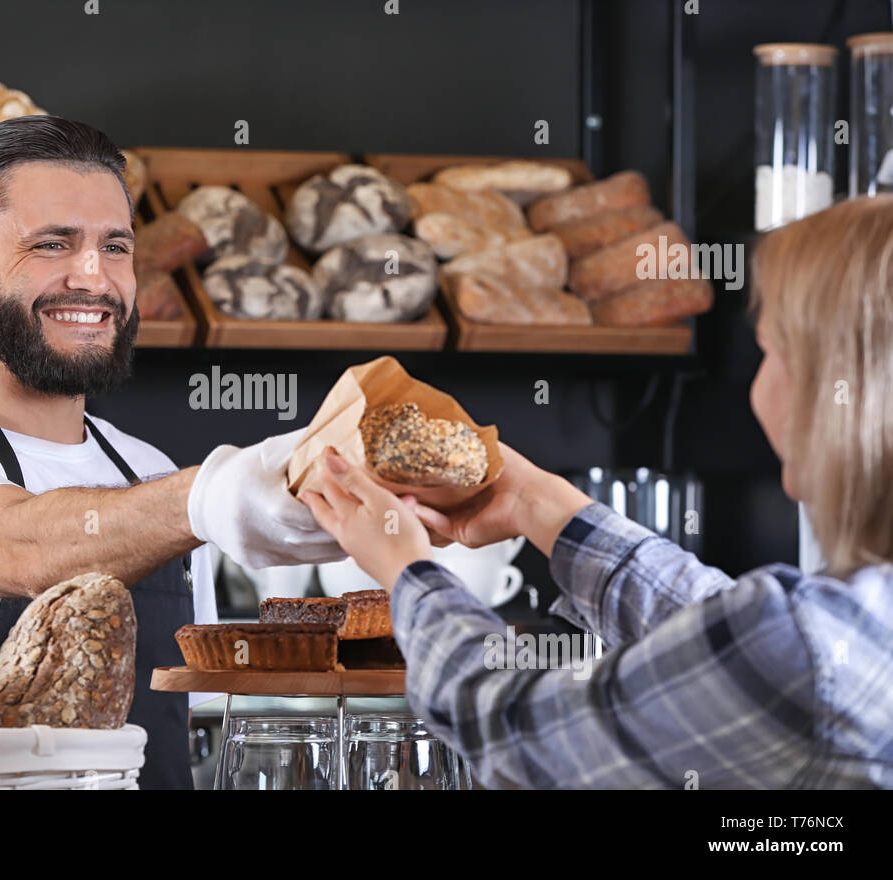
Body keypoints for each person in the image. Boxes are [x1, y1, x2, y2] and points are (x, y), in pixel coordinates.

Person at [298, 196, 893, 789]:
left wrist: (408, 572)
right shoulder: (854, 627)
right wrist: (542, 506)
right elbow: (721, 639)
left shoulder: (806, 652)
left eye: (772, 350)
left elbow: (514, 731)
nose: (758, 384)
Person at [0, 115, 343, 789]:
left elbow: (195, 727)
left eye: (115, 247)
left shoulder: (147, 470)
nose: (93, 278)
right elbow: (20, 547)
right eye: (52, 245)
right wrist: (209, 495)